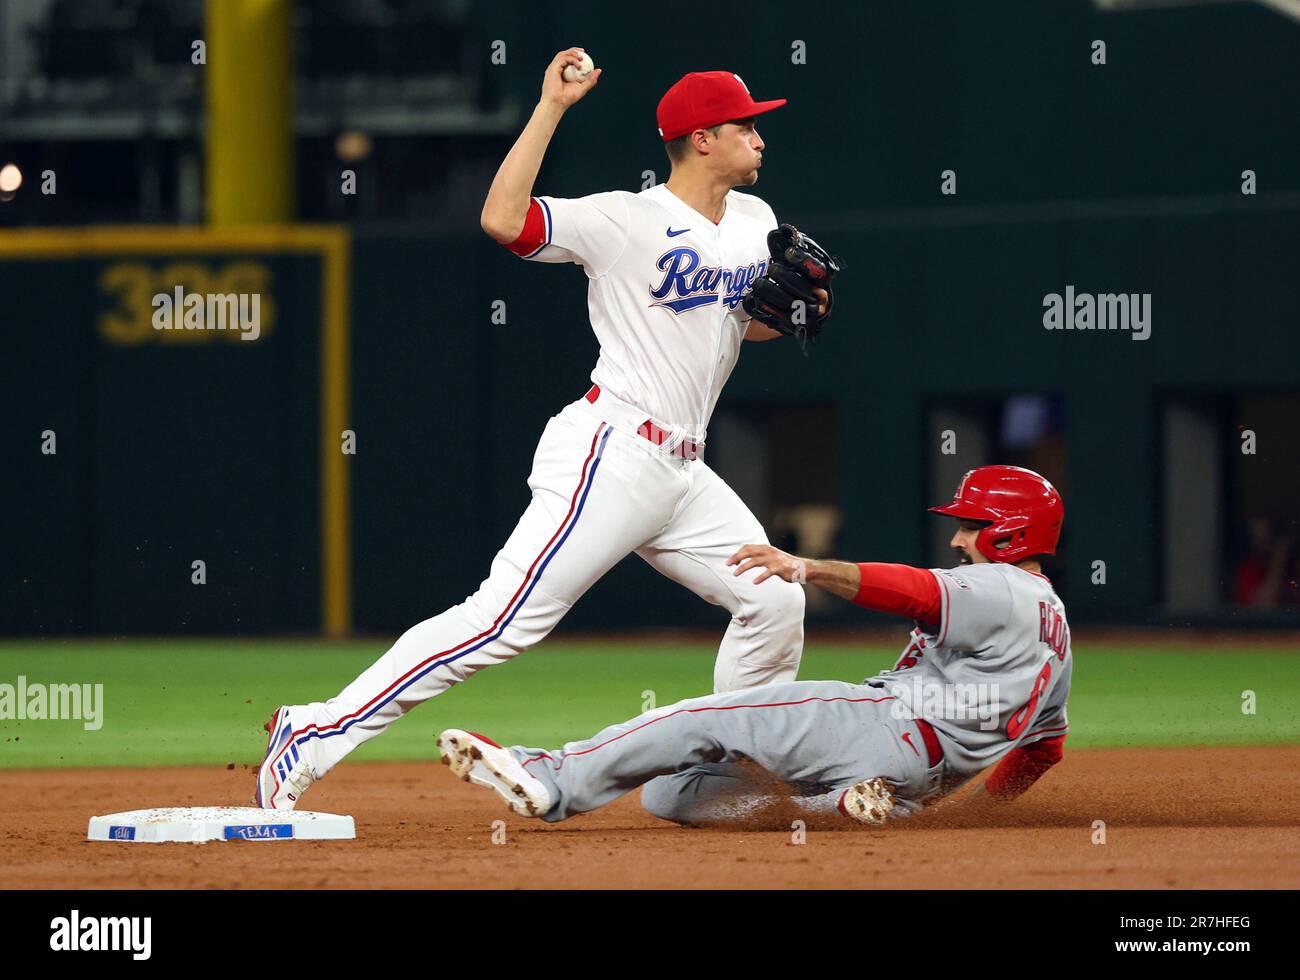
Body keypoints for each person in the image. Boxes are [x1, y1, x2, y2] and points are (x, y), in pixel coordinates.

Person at [256, 51, 829, 809]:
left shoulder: (756, 222)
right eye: (745, 124)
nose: (760, 136)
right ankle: (317, 730)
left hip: (686, 474)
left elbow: (737, 328)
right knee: (503, 622)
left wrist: (788, 319)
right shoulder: (626, 218)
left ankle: (730, 769)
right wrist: (551, 108)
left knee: (775, 599)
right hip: (614, 449)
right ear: (701, 139)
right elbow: (504, 220)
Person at [438, 465, 1072, 826]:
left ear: (1012, 534)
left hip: (886, 723)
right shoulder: (1057, 634)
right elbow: (1044, 751)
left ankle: (553, 777)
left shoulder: (1001, 588)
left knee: (709, 714)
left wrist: (810, 569)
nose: (960, 538)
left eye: (972, 525)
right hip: (919, 777)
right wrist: (975, 814)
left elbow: (913, 592)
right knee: (671, 795)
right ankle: (847, 804)